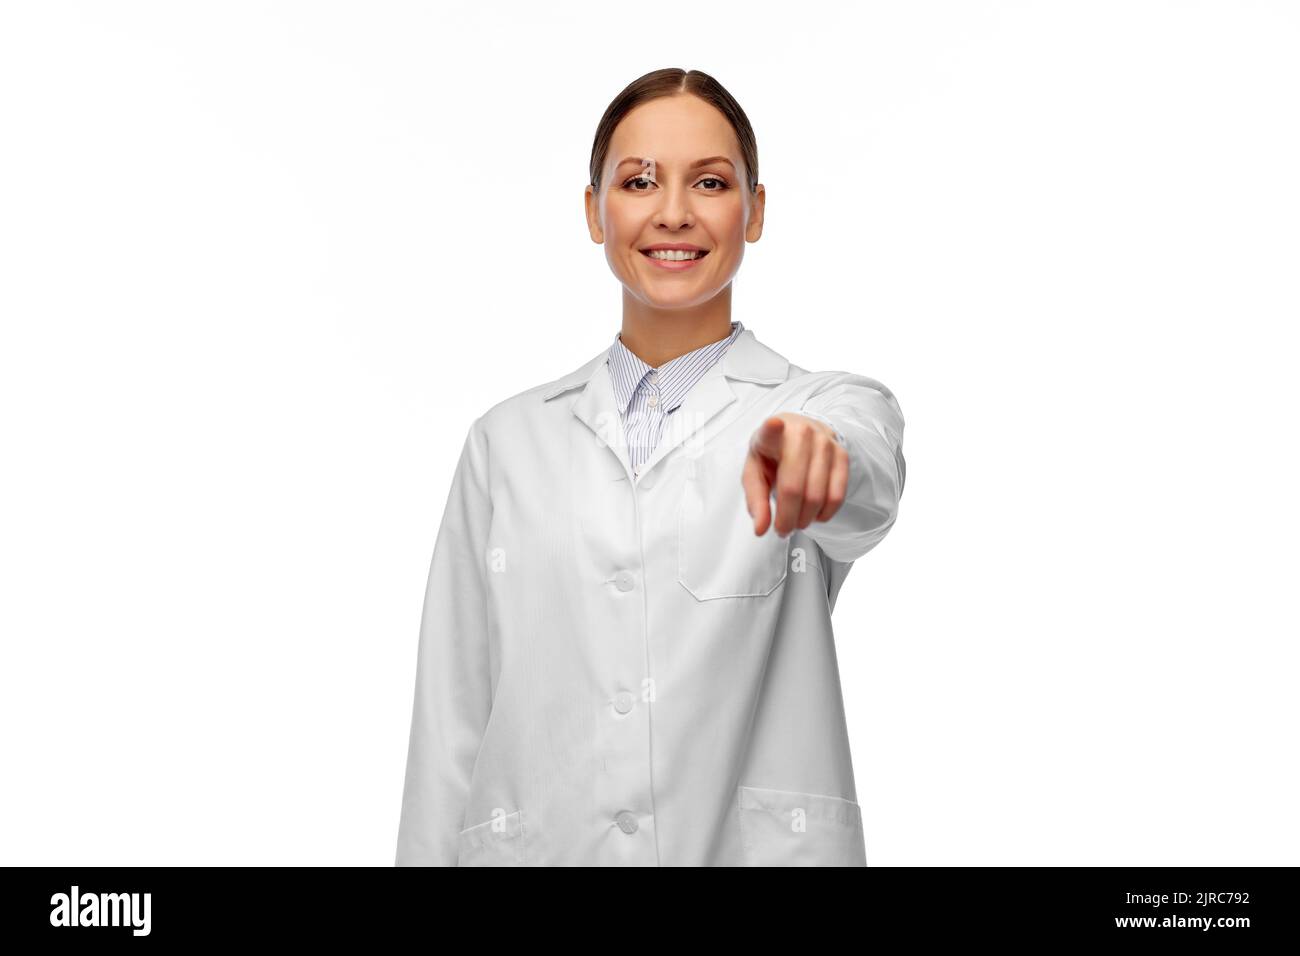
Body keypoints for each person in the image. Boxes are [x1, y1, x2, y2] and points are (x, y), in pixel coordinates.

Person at [396, 67, 906, 866]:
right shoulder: (504, 445)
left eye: (709, 181)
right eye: (638, 182)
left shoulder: (818, 406)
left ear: (756, 210)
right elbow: (450, 728)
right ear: (595, 212)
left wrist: (822, 455)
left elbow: (865, 478)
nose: (674, 212)